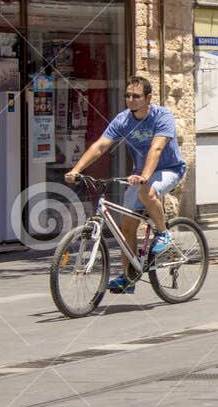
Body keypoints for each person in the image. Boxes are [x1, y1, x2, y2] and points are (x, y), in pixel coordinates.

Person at [64, 76, 187, 295]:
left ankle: (163, 235)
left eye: (136, 96)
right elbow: (101, 145)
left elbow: (156, 149)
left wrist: (144, 176)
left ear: (148, 98)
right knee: (126, 227)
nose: (130, 100)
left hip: (170, 169)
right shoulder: (123, 120)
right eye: (127, 95)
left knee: (146, 190)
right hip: (141, 175)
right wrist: (77, 170)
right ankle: (129, 276)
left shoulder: (162, 116)